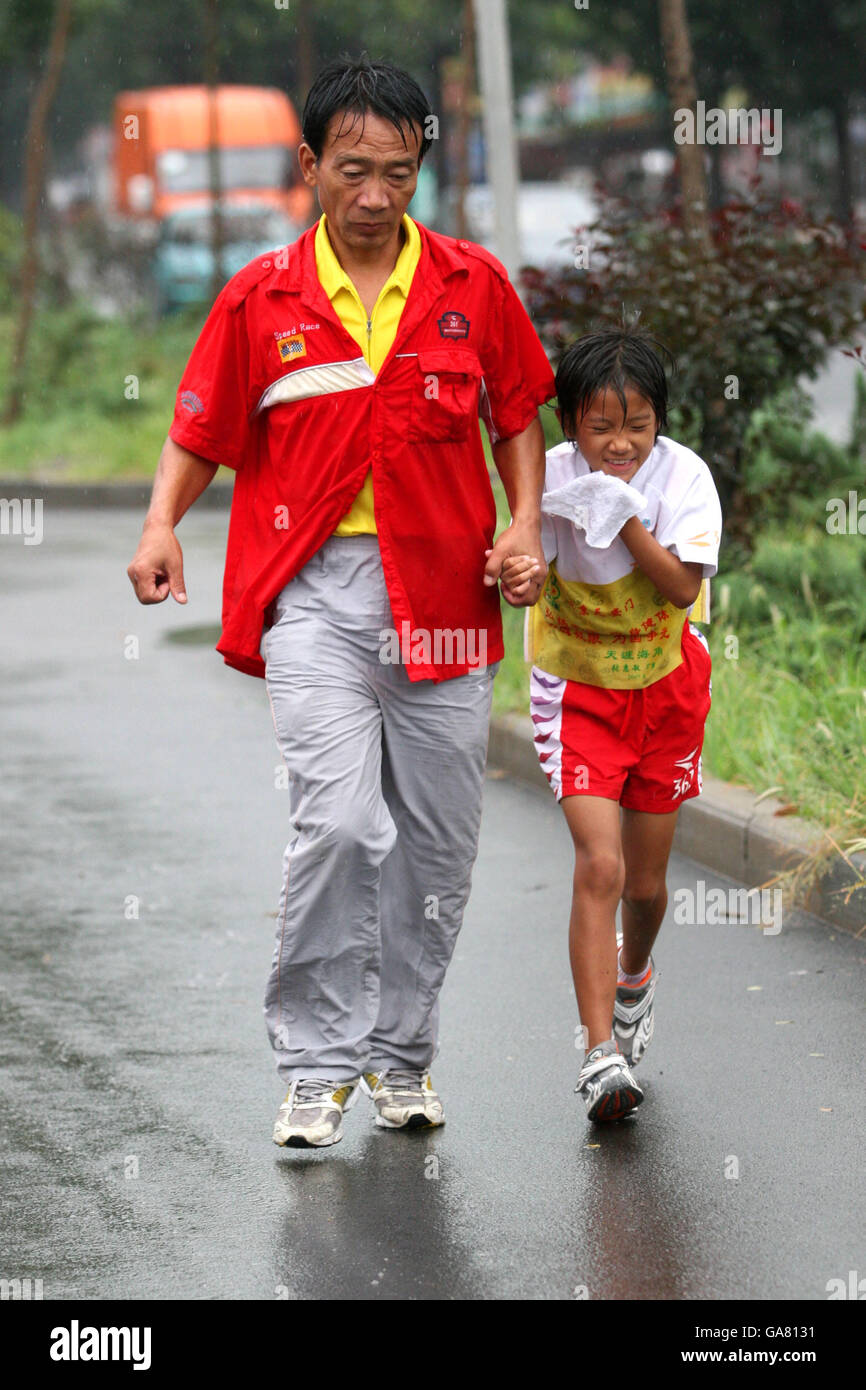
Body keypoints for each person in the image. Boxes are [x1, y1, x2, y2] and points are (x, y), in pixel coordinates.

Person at [127, 56, 554, 1148]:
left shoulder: (472, 285)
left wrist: (519, 522)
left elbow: (515, 414)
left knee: (436, 849)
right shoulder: (259, 295)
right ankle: (314, 1065)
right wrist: (161, 521)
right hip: (316, 595)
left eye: (398, 173)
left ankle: (399, 1057)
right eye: (353, 171)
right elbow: (200, 428)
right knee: (339, 821)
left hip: (448, 595)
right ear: (308, 164)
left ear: (420, 168)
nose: (375, 195)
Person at [502, 327, 722, 1123]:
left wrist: (623, 515)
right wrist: (517, 570)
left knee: (650, 885)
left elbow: (680, 591)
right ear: (569, 425)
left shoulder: (685, 478)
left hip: (664, 690)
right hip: (579, 693)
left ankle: (635, 978)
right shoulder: (548, 477)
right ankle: (599, 1054)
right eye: (601, 427)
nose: (620, 442)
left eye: (637, 425)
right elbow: (515, 564)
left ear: (659, 421)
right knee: (602, 866)